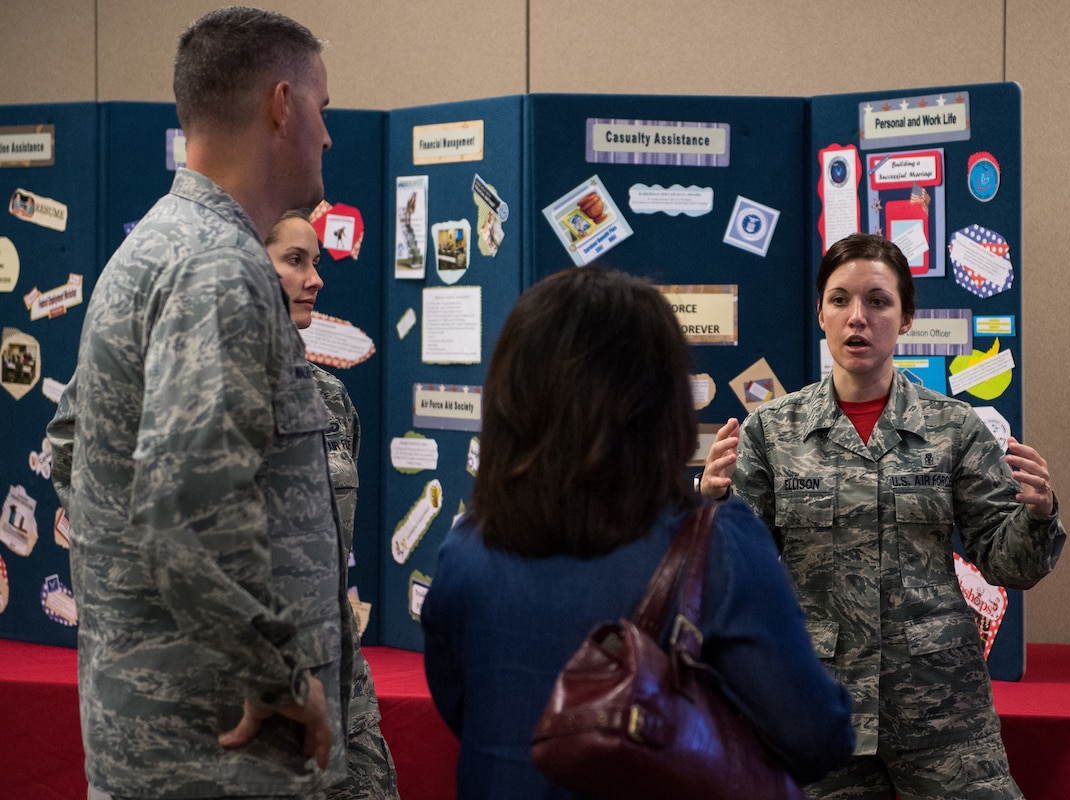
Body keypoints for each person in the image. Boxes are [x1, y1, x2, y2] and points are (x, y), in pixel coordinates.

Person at [45, 8, 356, 799]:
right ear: (281, 105)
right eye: (322, 109)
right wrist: (278, 677)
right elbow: (186, 509)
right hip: (220, 759)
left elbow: (71, 450)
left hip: (161, 747)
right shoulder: (219, 267)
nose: (328, 137)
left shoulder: (154, 248)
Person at [420, 265, 856, 798]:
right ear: (659, 401)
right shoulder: (718, 545)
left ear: (511, 395)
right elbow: (816, 737)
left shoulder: (465, 549)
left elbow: (460, 708)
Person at [698, 232, 1067, 800]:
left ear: (906, 318)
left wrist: (1036, 515)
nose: (858, 318)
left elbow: (1008, 565)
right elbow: (734, 577)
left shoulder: (954, 428)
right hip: (820, 707)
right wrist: (710, 505)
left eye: (877, 301)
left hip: (941, 712)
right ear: (820, 313)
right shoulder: (772, 431)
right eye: (840, 300)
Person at [265, 210, 400, 800]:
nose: (315, 278)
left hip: (342, 672)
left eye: (317, 261)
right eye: (295, 261)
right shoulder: (208, 392)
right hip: (258, 675)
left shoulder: (331, 397)